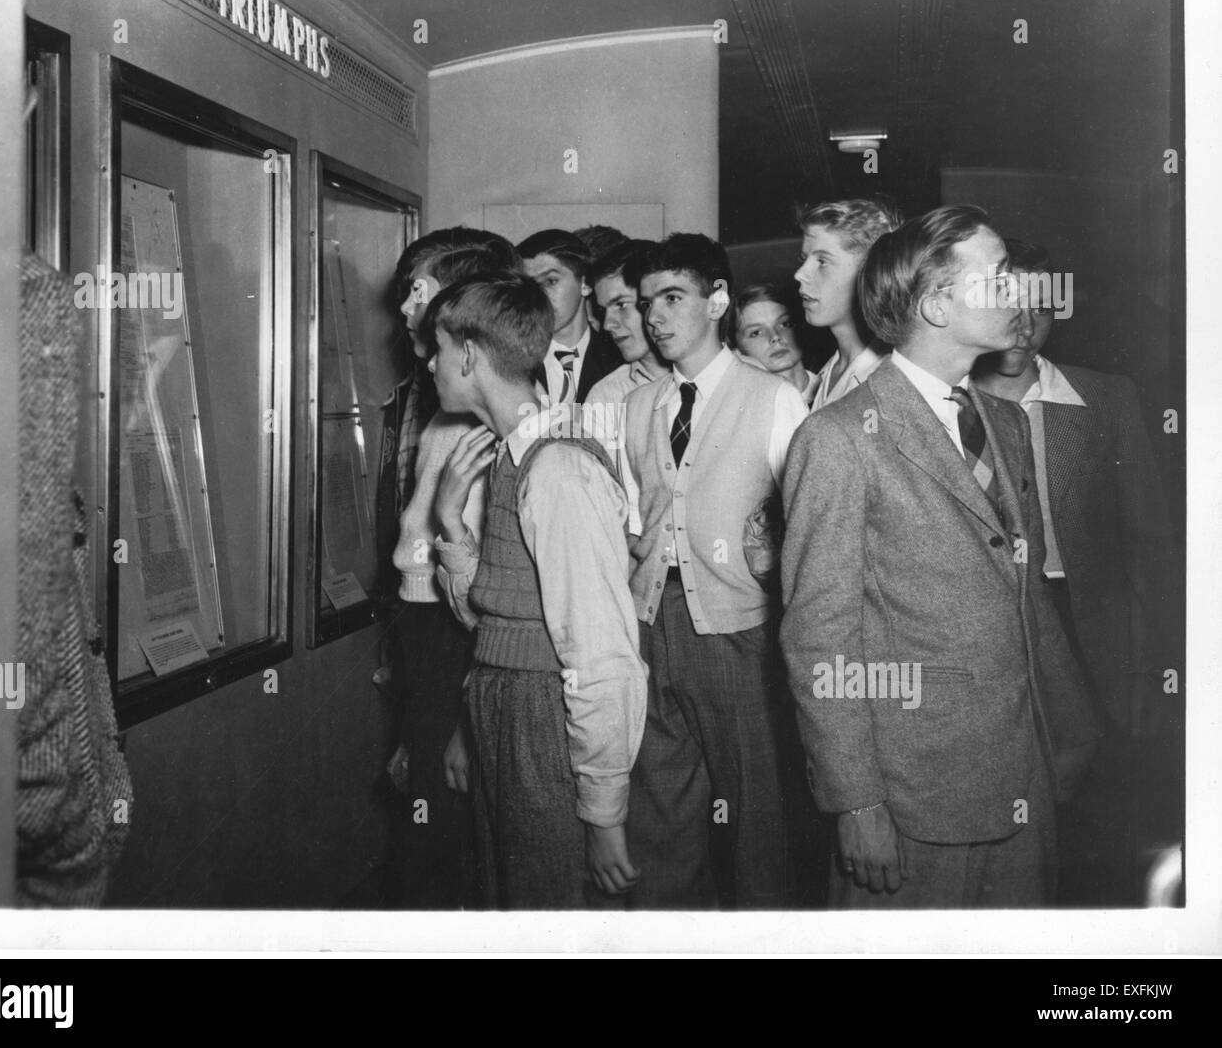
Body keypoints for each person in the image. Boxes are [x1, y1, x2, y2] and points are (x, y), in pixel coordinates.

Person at [779, 205, 1101, 909]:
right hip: (914, 802)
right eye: (998, 278)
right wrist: (856, 804)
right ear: (935, 304)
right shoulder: (837, 440)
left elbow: (1025, 593)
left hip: (1026, 783)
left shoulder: (1007, 425)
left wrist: (1073, 738)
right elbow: (819, 642)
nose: (1023, 295)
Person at [427, 274, 648, 909]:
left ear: (469, 355)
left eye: (439, 348)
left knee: (550, 913)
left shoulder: (556, 468)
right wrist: (450, 527)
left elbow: (602, 654)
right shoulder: (508, 455)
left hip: (548, 721)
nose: (432, 364)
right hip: (506, 705)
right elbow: (492, 618)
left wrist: (604, 816)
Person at [973, 238, 1182, 904]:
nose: (1024, 322)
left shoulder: (1106, 397)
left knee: (1097, 822)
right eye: (1008, 304)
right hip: (996, 631)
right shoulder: (950, 409)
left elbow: (1150, 544)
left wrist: (1152, 665)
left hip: (1093, 635)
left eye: (1041, 308)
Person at [621, 232, 809, 909]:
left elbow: (808, 524)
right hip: (650, 627)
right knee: (659, 814)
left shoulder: (773, 398)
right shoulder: (639, 406)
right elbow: (629, 523)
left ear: (718, 300)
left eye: (673, 297)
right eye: (646, 303)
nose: (654, 317)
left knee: (757, 819)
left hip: (740, 634)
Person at [378, 226, 516, 908]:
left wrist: (465, 719)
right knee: (424, 822)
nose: (406, 310)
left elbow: (497, 592)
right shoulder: (441, 411)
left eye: (418, 293)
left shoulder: (489, 422)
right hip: (429, 637)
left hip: (460, 642)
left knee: (450, 843)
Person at [793, 199, 902, 411]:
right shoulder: (827, 373)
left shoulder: (889, 378)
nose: (800, 274)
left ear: (869, 273)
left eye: (822, 261)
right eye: (804, 260)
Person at [517, 229, 623, 404]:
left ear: (585, 284)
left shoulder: (618, 357)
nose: (538, 295)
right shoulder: (511, 362)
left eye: (551, 281)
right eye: (530, 285)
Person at [584, 239, 668, 409]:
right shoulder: (605, 397)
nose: (607, 325)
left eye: (621, 305)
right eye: (603, 311)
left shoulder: (726, 371)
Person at [733, 282, 817, 403]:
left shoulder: (834, 390)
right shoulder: (742, 410)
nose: (775, 337)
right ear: (737, 351)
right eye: (756, 333)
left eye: (785, 324)